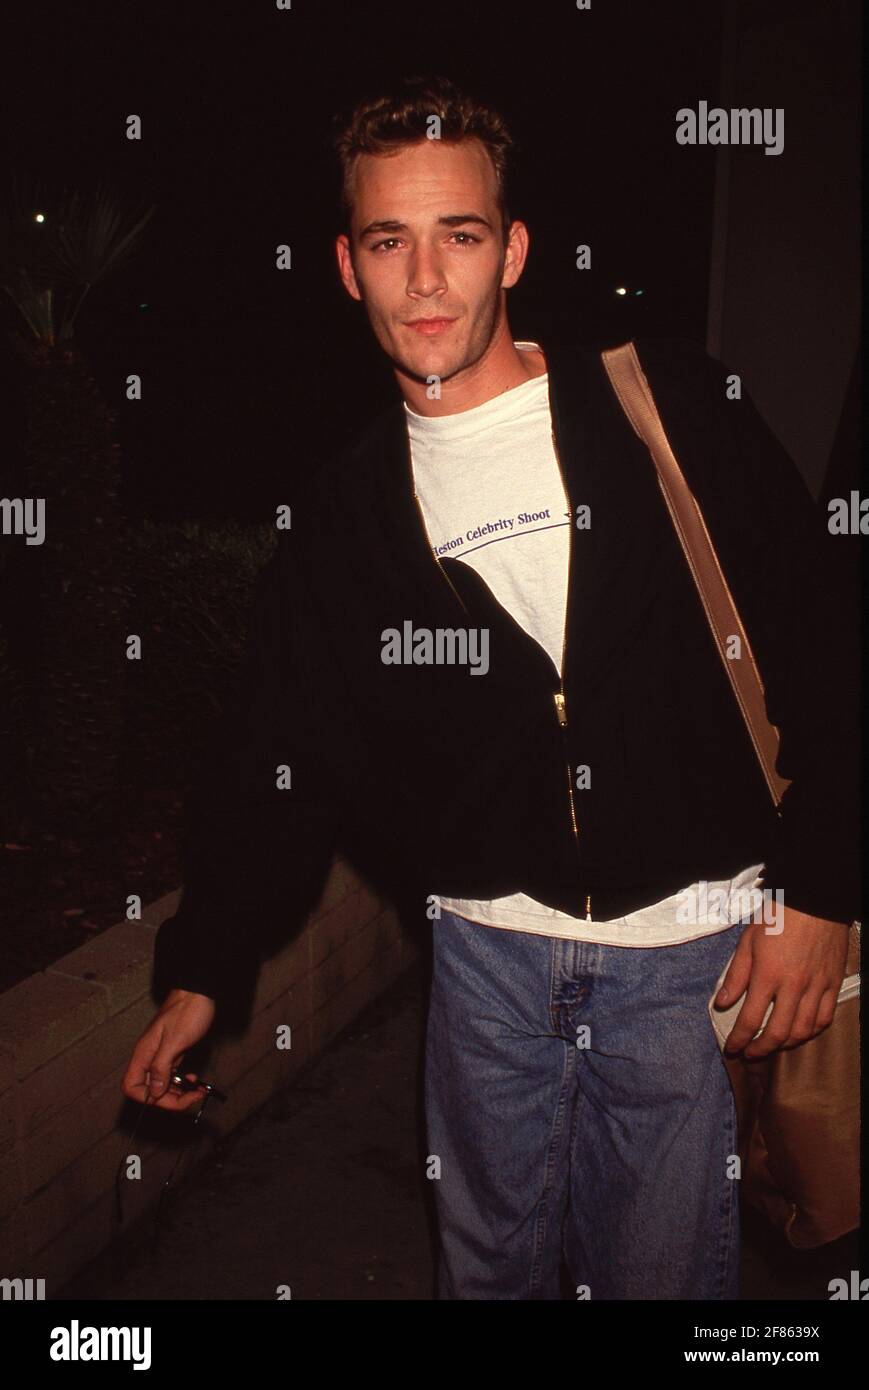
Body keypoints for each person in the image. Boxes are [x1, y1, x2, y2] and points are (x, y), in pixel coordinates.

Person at [122, 74, 858, 1300]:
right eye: (388, 242)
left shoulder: (663, 407)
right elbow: (274, 759)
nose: (425, 280)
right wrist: (204, 968)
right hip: (483, 972)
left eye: (457, 235)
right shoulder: (345, 517)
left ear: (509, 248)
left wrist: (824, 885)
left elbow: (830, 644)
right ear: (345, 268)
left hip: (693, 959)